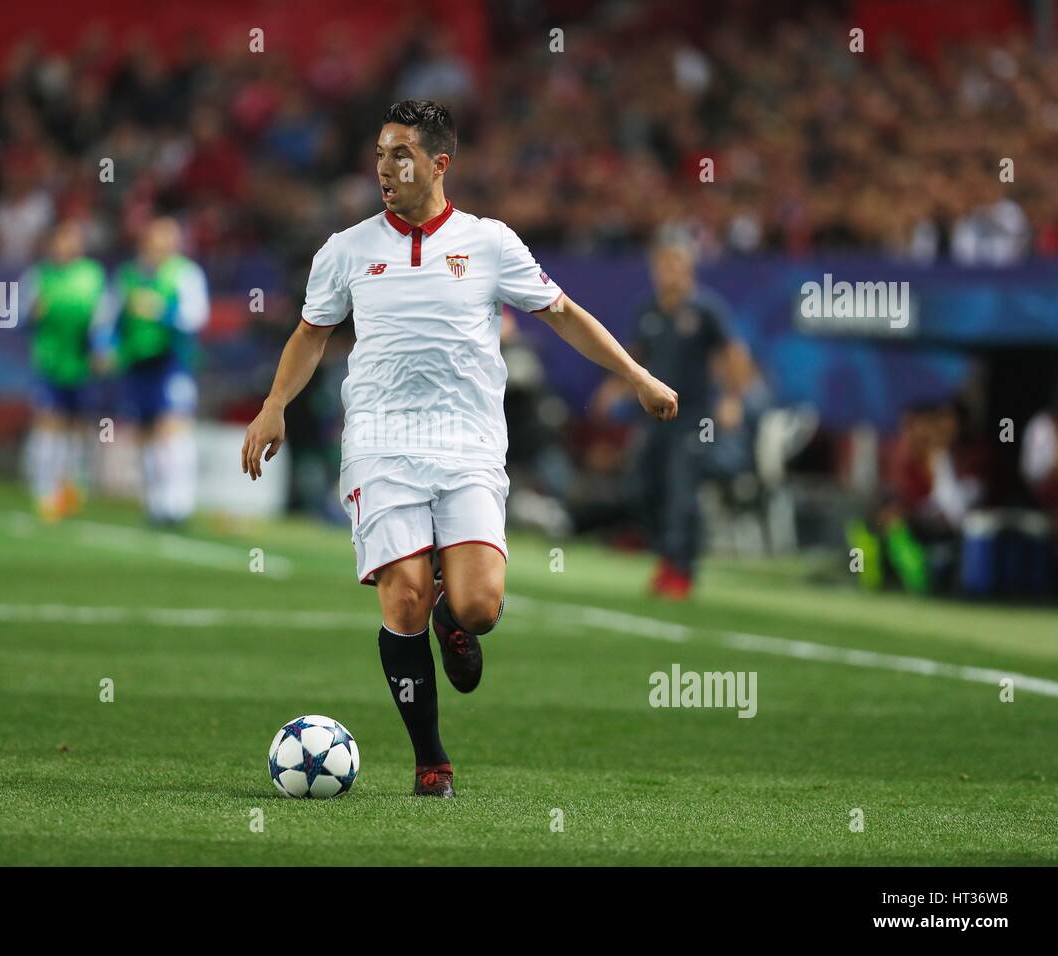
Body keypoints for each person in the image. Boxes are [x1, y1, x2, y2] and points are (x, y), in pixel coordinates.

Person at [241, 101, 678, 797]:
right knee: (405, 596)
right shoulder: (346, 250)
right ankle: (430, 759)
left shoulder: (490, 243)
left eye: (401, 155)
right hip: (380, 446)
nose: (386, 167)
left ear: (440, 164)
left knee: (476, 605)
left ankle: (455, 620)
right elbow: (310, 334)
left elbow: (562, 314)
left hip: (469, 444)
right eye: (381, 153)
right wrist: (273, 406)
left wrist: (637, 376)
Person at [591, 229, 754, 598]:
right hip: (654, 418)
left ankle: (681, 569)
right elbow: (637, 359)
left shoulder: (705, 310)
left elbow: (734, 354)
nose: (669, 272)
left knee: (682, 490)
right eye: (663, 265)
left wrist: (732, 397)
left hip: (696, 420)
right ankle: (667, 556)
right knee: (643, 487)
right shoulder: (648, 311)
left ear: (689, 269)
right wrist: (614, 387)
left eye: (676, 264)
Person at [93, 217, 210, 527]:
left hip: (171, 361)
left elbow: (196, 316)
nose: (162, 247)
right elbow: (107, 318)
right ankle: (156, 504)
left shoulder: (185, 274)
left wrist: (162, 311)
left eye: (168, 241)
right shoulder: (128, 276)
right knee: (144, 433)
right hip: (135, 363)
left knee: (173, 427)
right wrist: (105, 347)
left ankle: (179, 505)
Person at [19, 221, 106, 521]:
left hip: (81, 365)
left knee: (78, 428)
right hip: (50, 363)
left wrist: (101, 348)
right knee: (48, 424)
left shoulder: (91, 276)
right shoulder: (38, 277)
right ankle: (43, 491)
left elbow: (103, 316)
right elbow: (18, 316)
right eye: (62, 240)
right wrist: (32, 313)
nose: (68, 246)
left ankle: (71, 488)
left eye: (73, 240)